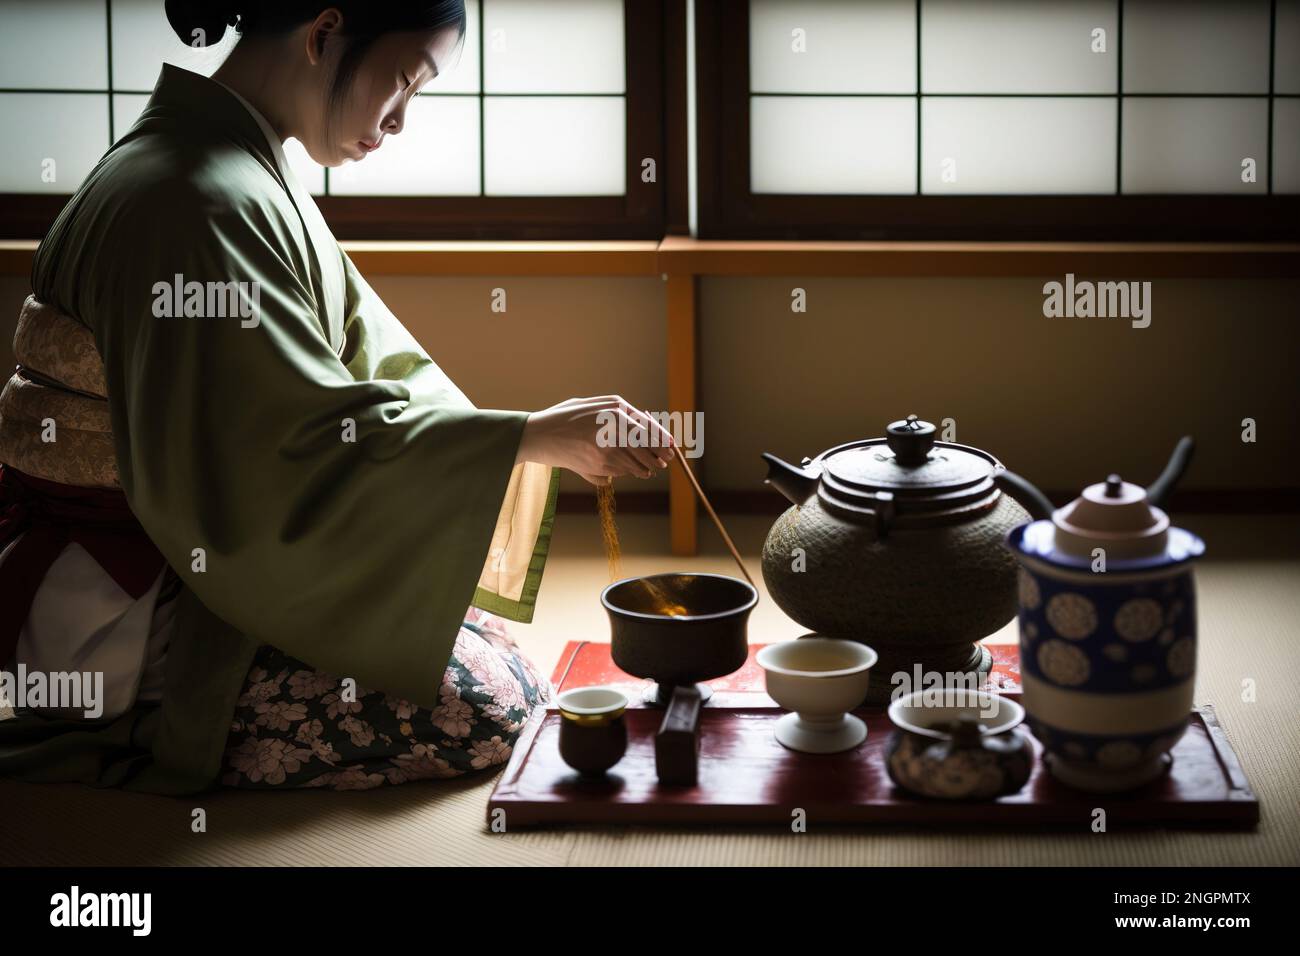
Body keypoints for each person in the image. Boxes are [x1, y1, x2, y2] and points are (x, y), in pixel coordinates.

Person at [0, 0, 671, 793]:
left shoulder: (232, 164)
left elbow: (376, 369)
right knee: (489, 708)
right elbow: (299, 438)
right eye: (404, 81)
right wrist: (526, 438)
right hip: (128, 599)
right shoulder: (195, 198)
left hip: (196, 552)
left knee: (490, 648)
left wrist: (534, 436)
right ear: (323, 34)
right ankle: (163, 723)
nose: (399, 122)